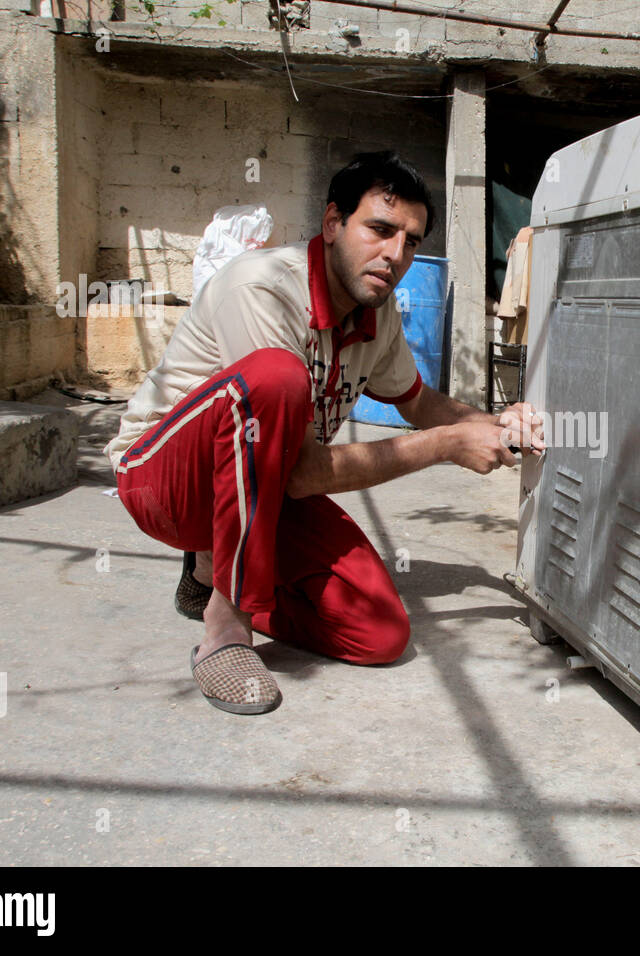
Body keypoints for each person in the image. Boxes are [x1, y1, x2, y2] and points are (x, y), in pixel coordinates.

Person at [104, 151, 544, 715]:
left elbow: (419, 404)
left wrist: (496, 421)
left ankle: (207, 568)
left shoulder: (375, 311)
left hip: (261, 485)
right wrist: (445, 447)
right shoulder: (262, 287)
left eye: (410, 241)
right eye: (380, 230)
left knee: (380, 632)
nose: (395, 255)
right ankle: (225, 626)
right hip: (163, 479)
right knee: (275, 378)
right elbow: (307, 473)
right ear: (333, 223)